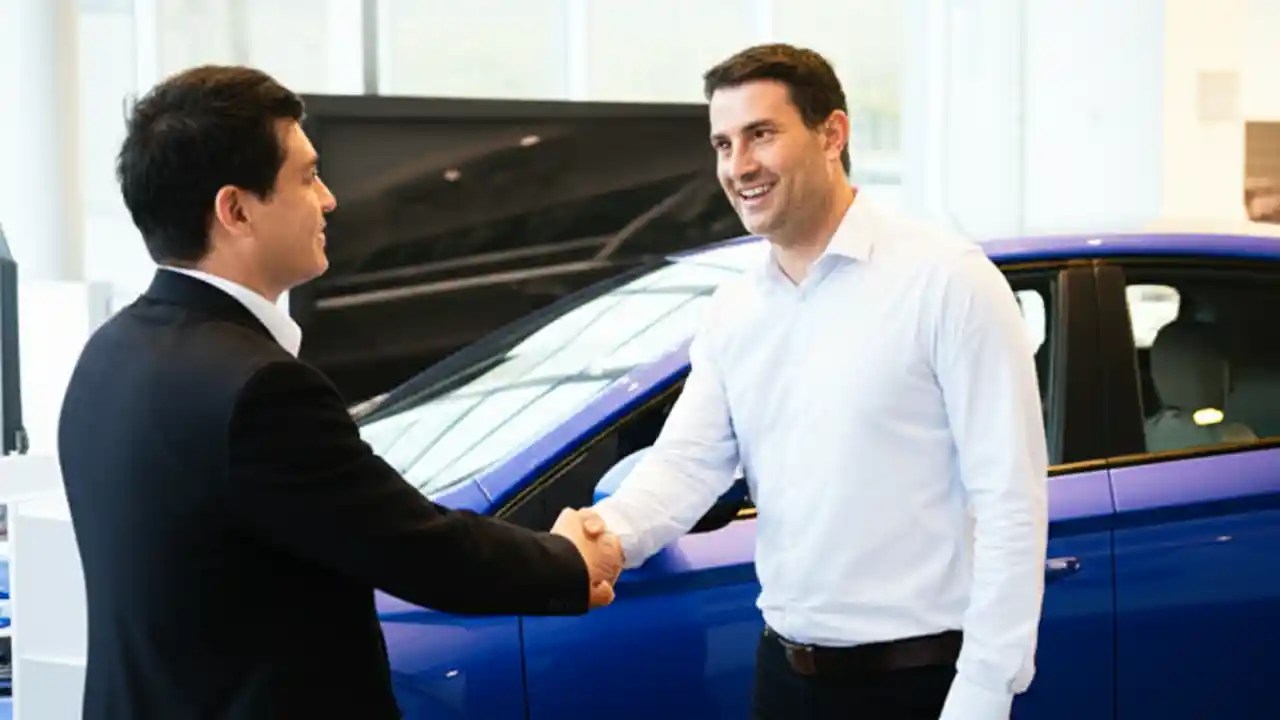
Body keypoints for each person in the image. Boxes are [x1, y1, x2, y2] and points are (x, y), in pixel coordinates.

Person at [56, 65, 622, 720]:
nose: (328, 199)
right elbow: (416, 547)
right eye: (306, 176)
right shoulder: (262, 390)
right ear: (235, 210)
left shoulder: (109, 353)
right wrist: (568, 563)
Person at [578, 44, 1049, 719]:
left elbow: (1010, 500)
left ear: (832, 134)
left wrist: (984, 692)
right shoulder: (735, 309)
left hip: (918, 682)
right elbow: (686, 465)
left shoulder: (946, 280)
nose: (738, 166)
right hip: (785, 677)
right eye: (722, 143)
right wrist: (594, 540)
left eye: (761, 134)